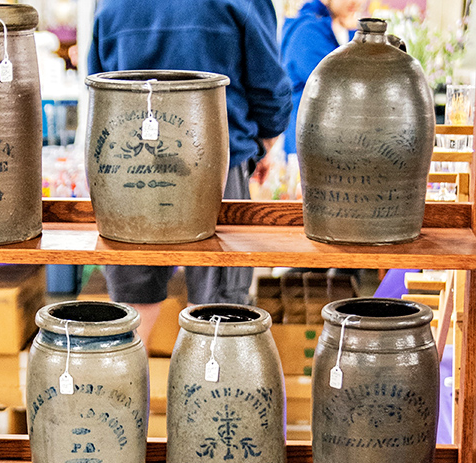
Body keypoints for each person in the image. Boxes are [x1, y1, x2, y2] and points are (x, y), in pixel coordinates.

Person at [87, 0, 292, 349]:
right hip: (218, 170)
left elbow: (100, 88)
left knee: (133, 307)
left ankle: (118, 398)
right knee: (219, 311)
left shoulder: (111, 5)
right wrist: (264, 142)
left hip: (130, 170)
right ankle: (207, 402)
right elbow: (269, 88)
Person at [281, 0, 364, 157]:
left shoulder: (329, 25)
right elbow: (342, 85)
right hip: (309, 146)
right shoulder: (308, 31)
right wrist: (357, 35)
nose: (356, 2)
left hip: (321, 140)